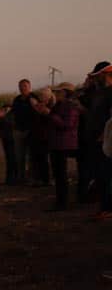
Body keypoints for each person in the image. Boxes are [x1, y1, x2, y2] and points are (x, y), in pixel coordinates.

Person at [38, 82, 80, 210]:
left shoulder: (71, 107)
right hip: (56, 143)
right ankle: (60, 201)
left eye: (58, 92)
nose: (55, 94)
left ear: (66, 92)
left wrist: (49, 113)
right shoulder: (59, 105)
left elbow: (67, 125)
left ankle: (62, 203)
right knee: (58, 174)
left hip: (63, 144)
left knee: (61, 175)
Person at [86, 62, 112, 220]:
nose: (97, 78)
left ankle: (108, 209)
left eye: (99, 75)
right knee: (100, 175)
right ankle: (104, 207)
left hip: (106, 141)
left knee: (106, 175)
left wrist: (105, 134)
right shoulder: (100, 92)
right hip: (96, 140)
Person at [9, 79, 36, 184]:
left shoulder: (33, 98)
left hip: (30, 131)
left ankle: (30, 178)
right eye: (20, 86)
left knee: (31, 156)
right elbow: (12, 113)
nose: (22, 88)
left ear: (29, 87)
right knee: (19, 156)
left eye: (25, 86)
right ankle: (21, 177)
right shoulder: (17, 99)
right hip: (18, 131)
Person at [0, 102, 16, 185]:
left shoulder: (12, 115)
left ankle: (13, 178)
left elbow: (12, 124)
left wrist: (2, 118)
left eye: (8, 107)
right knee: (8, 159)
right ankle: (8, 178)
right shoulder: (5, 115)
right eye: (5, 107)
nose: (6, 109)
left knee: (12, 158)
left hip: (12, 139)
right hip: (5, 139)